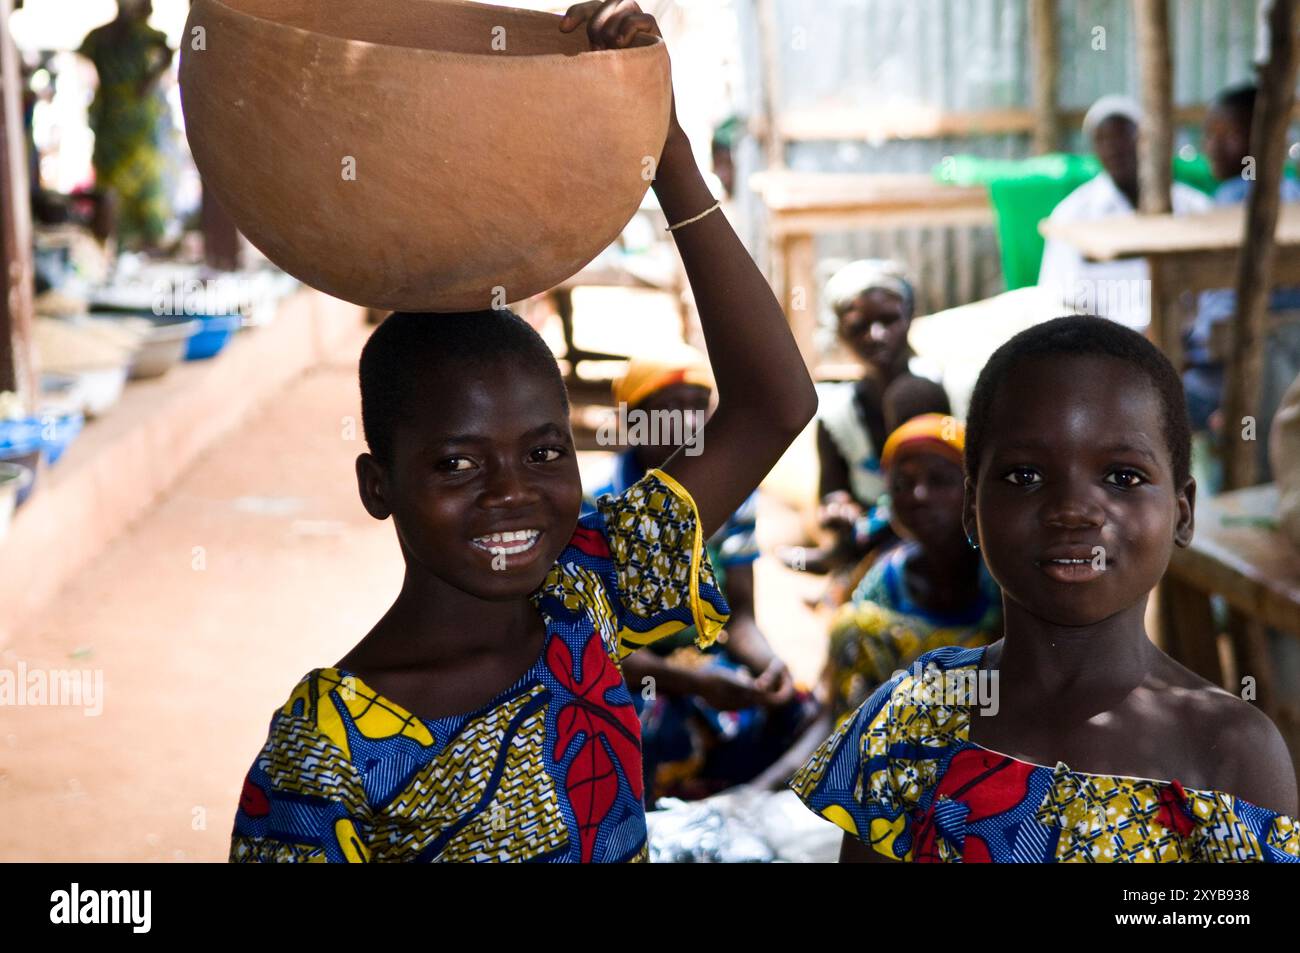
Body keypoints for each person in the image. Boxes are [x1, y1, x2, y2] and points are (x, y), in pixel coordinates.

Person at [227, 1, 817, 863]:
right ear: (377, 484)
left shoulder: (585, 590)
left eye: (545, 451)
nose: (512, 491)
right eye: (457, 462)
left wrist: (667, 154)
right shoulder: (326, 753)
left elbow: (776, 403)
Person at [793, 316, 1298, 863]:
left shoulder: (1231, 750)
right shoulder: (912, 720)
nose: (1072, 510)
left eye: (1123, 476)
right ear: (971, 508)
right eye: (1025, 476)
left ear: (1182, 512)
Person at [584, 349, 819, 803]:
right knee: (638, 733)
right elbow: (592, 643)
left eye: (699, 408)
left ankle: (730, 805)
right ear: (633, 421)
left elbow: (741, 617)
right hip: (624, 669)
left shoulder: (736, 496)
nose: (688, 424)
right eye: (668, 411)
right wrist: (694, 683)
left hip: (705, 662)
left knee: (796, 710)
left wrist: (768, 667)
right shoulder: (597, 501)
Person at [749, 411, 1001, 791]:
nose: (918, 496)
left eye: (940, 481)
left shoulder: (1003, 578)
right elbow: (844, 714)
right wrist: (767, 787)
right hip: (896, 757)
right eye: (902, 483)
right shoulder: (884, 581)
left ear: (974, 491)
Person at [791, 260, 943, 585]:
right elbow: (832, 492)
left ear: (910, 316)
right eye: (859, 326)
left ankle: (840, 561)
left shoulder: (942, 391)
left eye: (889, 320)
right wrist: (838, 507)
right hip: (872, 543)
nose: (876, 335)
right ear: (839, 332)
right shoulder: (836, 413)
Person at [1184, 84, 1300, 484]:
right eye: (1209, 133)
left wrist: (1185, 348)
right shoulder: (1295, 195)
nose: (1210, 145)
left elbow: (1218, 321)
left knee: (1150, 404)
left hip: (1230, 373)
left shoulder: (1232, 201)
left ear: (1261, 138)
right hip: (1281, 370)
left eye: (1224, 133)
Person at [1038, 95, 1211, 330]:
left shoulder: (1192, 206)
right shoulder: (1073, 214)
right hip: (1104, 346)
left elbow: (1212, 291)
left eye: (1123, 136)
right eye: (1102, 139)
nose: (1113, 148)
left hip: (1186, 341)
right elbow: (1057, 299)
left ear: (1144, 140)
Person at [77, 0, 174, 250]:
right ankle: (145, 240)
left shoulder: (99, 36)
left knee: (114, 183)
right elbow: (169, 52)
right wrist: (148, 82)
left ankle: (113, 242)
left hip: (113, 116)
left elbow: (82, 65)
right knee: (144, 181)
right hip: (135, 117)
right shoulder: (145, 36)